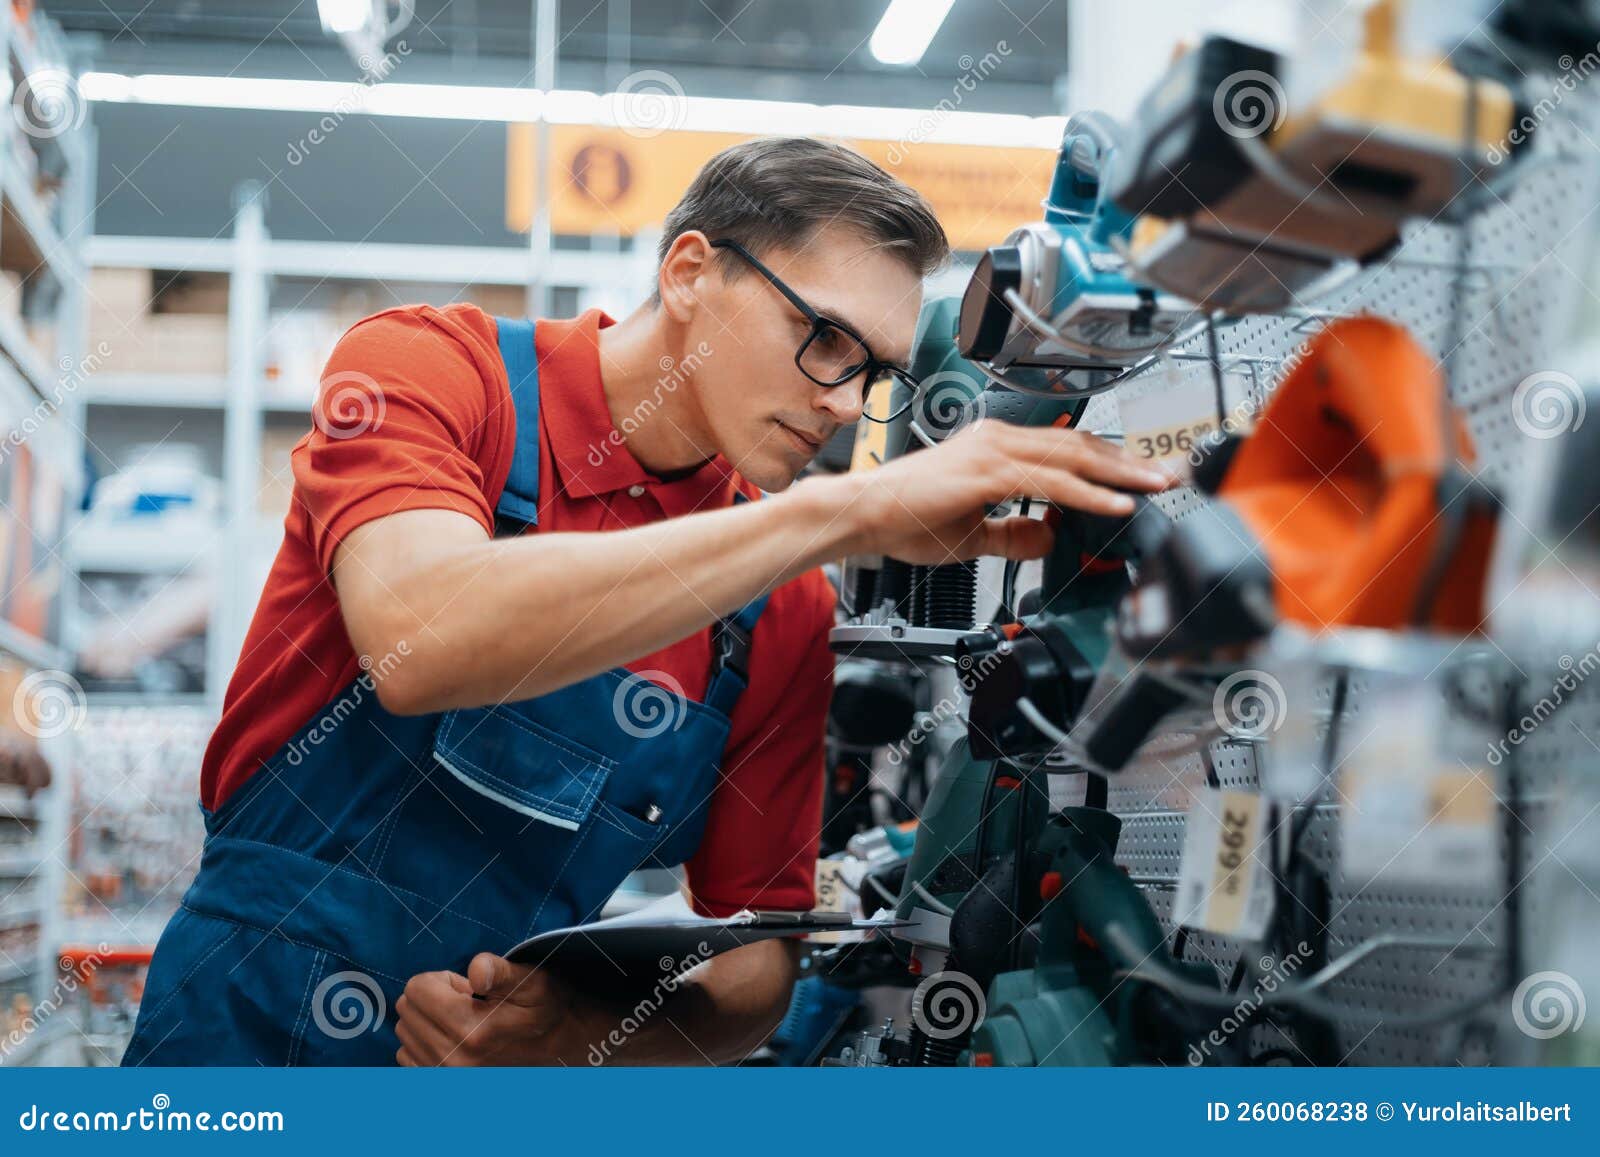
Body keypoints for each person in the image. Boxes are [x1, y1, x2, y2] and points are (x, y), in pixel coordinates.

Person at [121, 137, 1172, 1067]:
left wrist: (576, 1037)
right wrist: (843, 512)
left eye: (875, 374)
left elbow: (760, 956)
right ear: (688, 274)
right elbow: (419, 637)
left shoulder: (779, 608)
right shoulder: (435, 371)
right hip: (236, 1042)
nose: (845, 403)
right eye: (825, 339)